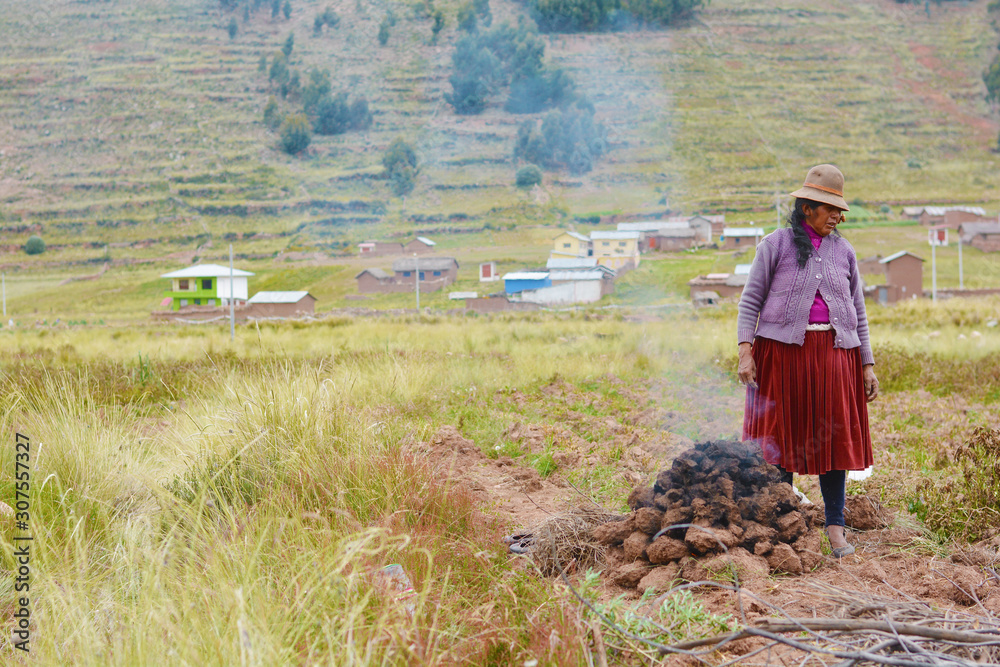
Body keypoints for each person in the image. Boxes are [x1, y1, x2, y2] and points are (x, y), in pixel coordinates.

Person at [736, 164, 879, 559]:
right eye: (829, 208)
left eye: (840, 210)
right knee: (783, 438)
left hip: (836, 357)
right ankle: (784, 522)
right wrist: (746, 350)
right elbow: (750, 301)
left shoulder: (844, 250)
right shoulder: (775, 245)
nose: (837, 216)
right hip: (783, 356)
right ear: (806, 209)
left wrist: (866, 363)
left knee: (834, 439)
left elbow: (858, 311)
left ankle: (836, 528)